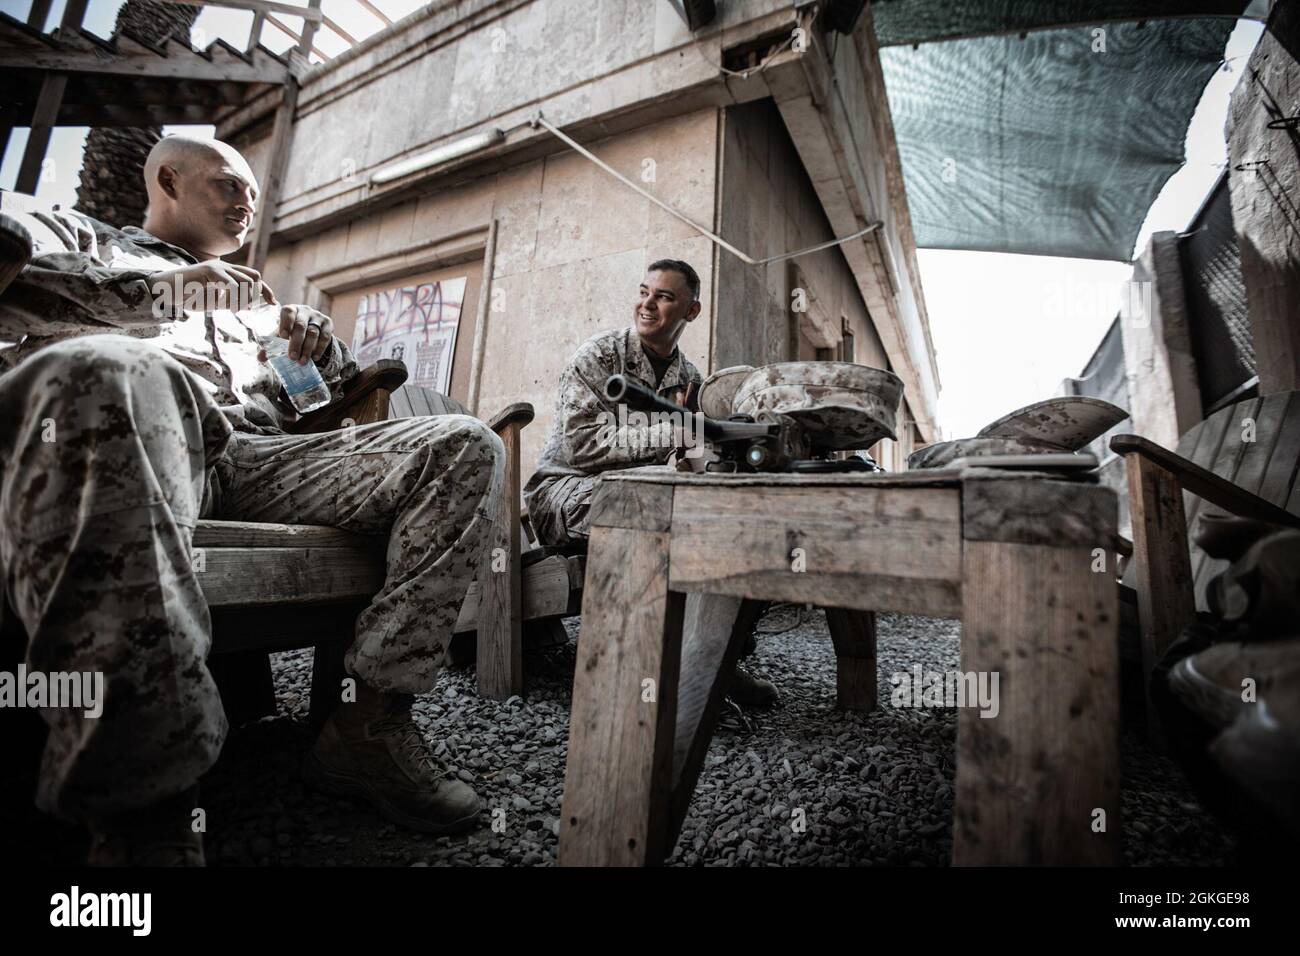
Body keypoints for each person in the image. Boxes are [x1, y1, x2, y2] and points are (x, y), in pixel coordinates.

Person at [0, 135, 503, 865]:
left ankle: (364, 727)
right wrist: (179, 291)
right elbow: (18, 277)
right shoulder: (82, 234)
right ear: (168, 178)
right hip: (130, 441)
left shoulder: (252, 302)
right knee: (115, 370)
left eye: (254, 196)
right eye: (230, 186)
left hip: (252, 457)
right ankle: (144, 815)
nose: (247, 204)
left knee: (462, 445)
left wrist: (318, 350)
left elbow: (316, 403)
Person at [523, 259, 778, 707]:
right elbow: (582, 447)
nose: (647, 304)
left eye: (663, 296)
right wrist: (677, 433)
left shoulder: (692, 380)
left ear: (691, 311)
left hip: (649, 489)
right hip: (565, 492)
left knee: (731, 514)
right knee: (660, 506)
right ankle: (641, 671)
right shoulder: (599, 356)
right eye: (644, 291)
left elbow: (696, 453)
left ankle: (713, 661)